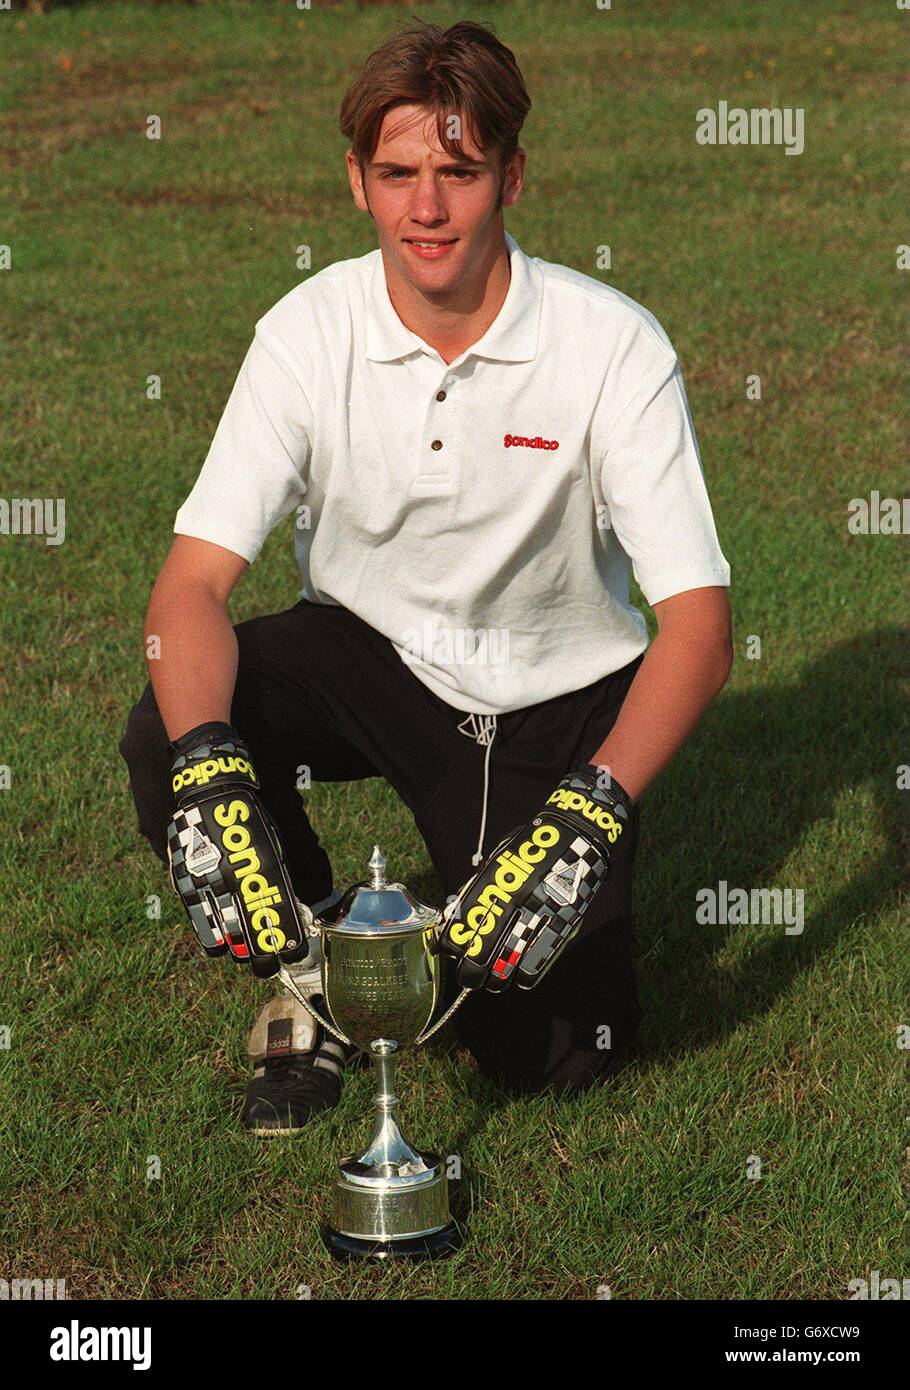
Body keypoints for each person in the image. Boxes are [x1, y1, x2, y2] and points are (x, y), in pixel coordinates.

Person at [119, 19, 732, 1135]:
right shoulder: (308, 331)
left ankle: (432, 936)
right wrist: (210, 771)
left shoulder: (611, 345)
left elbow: (697, 623)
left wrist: (588, 817)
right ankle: (312, 987)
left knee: (553, 1058)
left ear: (512, 174)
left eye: (459, 171)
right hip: (367, 657)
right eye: (397, 173)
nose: (428, 208)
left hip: (548, 698)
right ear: (357, 181)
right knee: (170, 728)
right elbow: (188, 589)